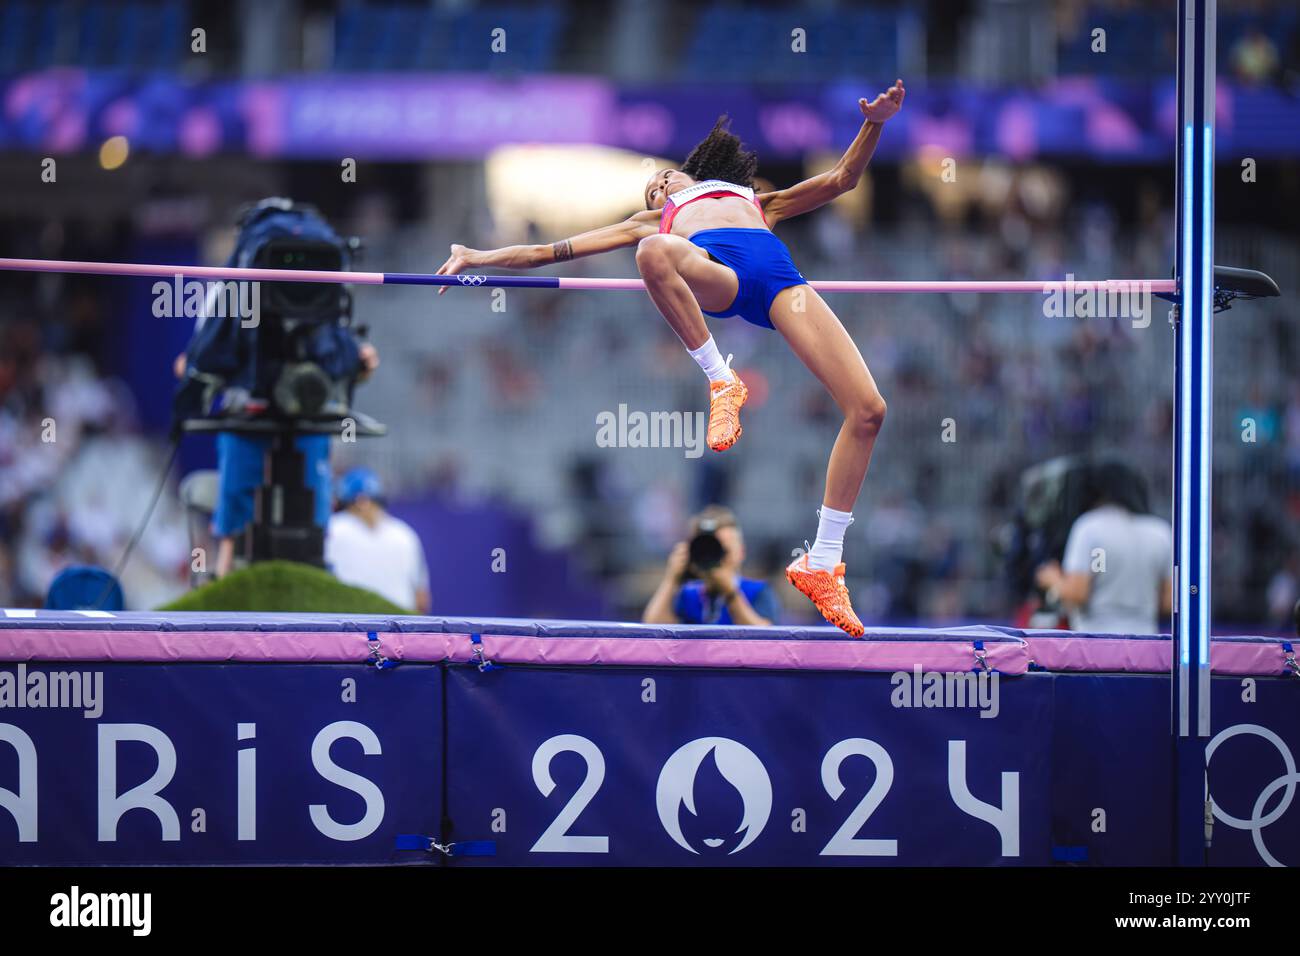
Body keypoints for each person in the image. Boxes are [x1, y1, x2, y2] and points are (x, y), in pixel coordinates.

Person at [438, 81, 907, 635]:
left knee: (869, 409)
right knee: (653, 251)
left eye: (661, 178)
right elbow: (548, 252)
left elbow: (843, 180)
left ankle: (823, 561)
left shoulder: (757, 199)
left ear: (688, 169)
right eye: (651, 190)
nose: (657, 186)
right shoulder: (652, 222)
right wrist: (477, 256)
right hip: (719, 277)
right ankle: (721, 380)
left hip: (783, 285)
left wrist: (874, 122)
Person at [1034, 462, 1173, 635]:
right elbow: (1169, 602)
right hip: (1145, 644)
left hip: (1097, 645)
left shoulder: (1090, 527)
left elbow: (1078, 593)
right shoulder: (1160, 532)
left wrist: (1052, 579)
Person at [642, 505, 778, 626]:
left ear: (741, 552)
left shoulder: (758, 591)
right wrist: (671, 579)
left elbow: (765, 640)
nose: (714, 557)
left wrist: (731, 595)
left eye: (723, 550)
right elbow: (653, 631)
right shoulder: (688, 595)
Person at [324, 468, 431, 613]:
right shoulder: (404, 533)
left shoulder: (333, 527)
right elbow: (422, 599)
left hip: (349, 628)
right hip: (399, 627)